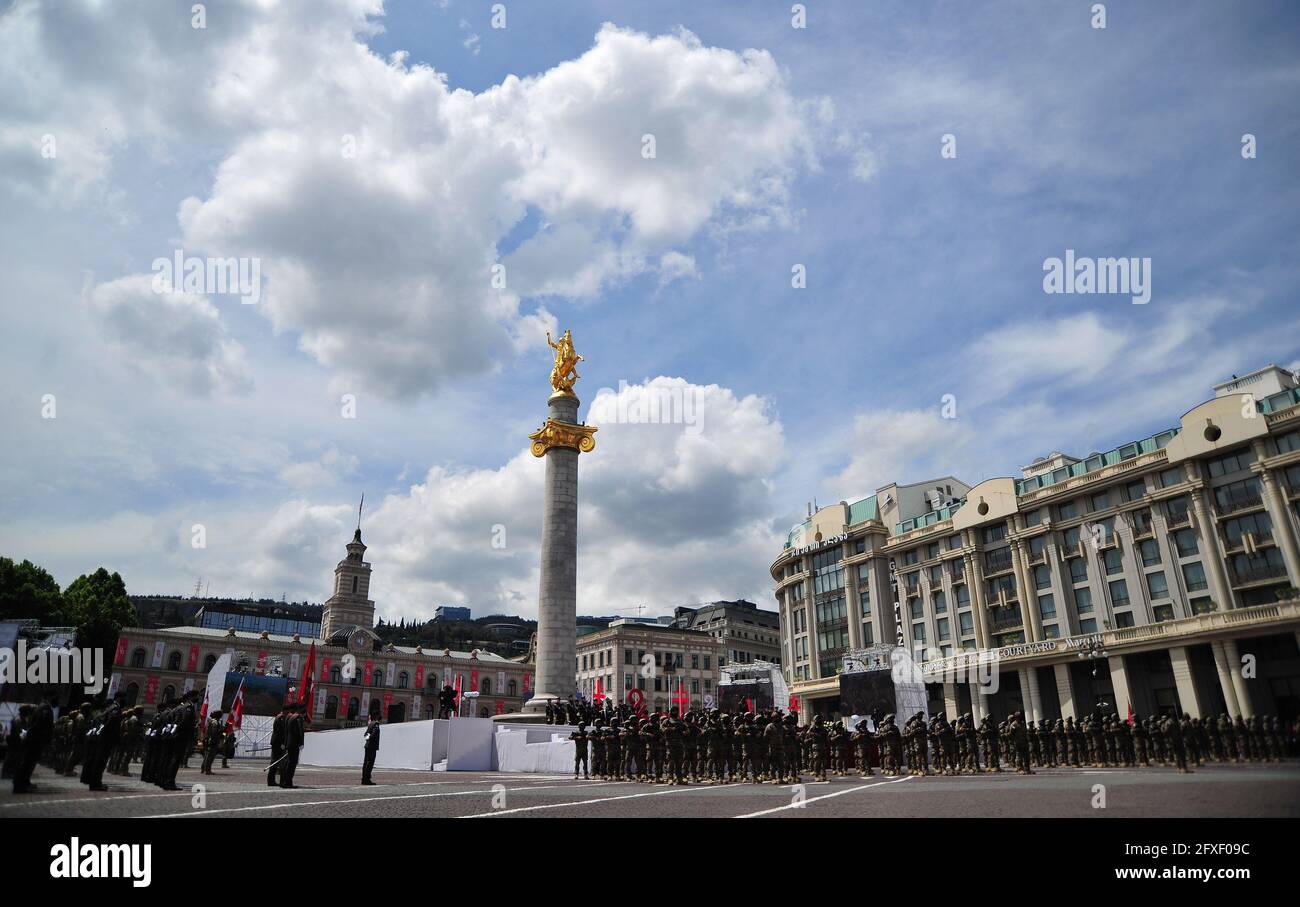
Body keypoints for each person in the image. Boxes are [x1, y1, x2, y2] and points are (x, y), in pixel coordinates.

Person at [280, 703, 305, 788]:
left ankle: (283, 781)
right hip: (294, 743)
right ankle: (288, 783)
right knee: (292, 763)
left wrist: (285, 742)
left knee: (288, 762)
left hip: (289, 743)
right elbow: (300, 732)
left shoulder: (289, 717)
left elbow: (286, 731)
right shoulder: (298, 718)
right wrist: (301, 742)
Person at [268, 705, 287, 787]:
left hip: (276, 742)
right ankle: (271, 781)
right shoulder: (281, 718)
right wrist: (282, 743)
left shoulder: (279, 717)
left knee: (275, 761)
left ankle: (271, 781)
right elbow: (281, 732)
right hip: (277, 743)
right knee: (275, 762)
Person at [362, 714, 381, 785]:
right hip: (372, 747)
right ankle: (367, 779)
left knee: (366, 763)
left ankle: (364, 778)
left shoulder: (370, 724)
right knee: (370, 763)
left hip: (367, 746)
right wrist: (371, 739)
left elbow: (366, 734)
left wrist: (367, 739)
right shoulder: (376, 724)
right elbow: (374, 732)